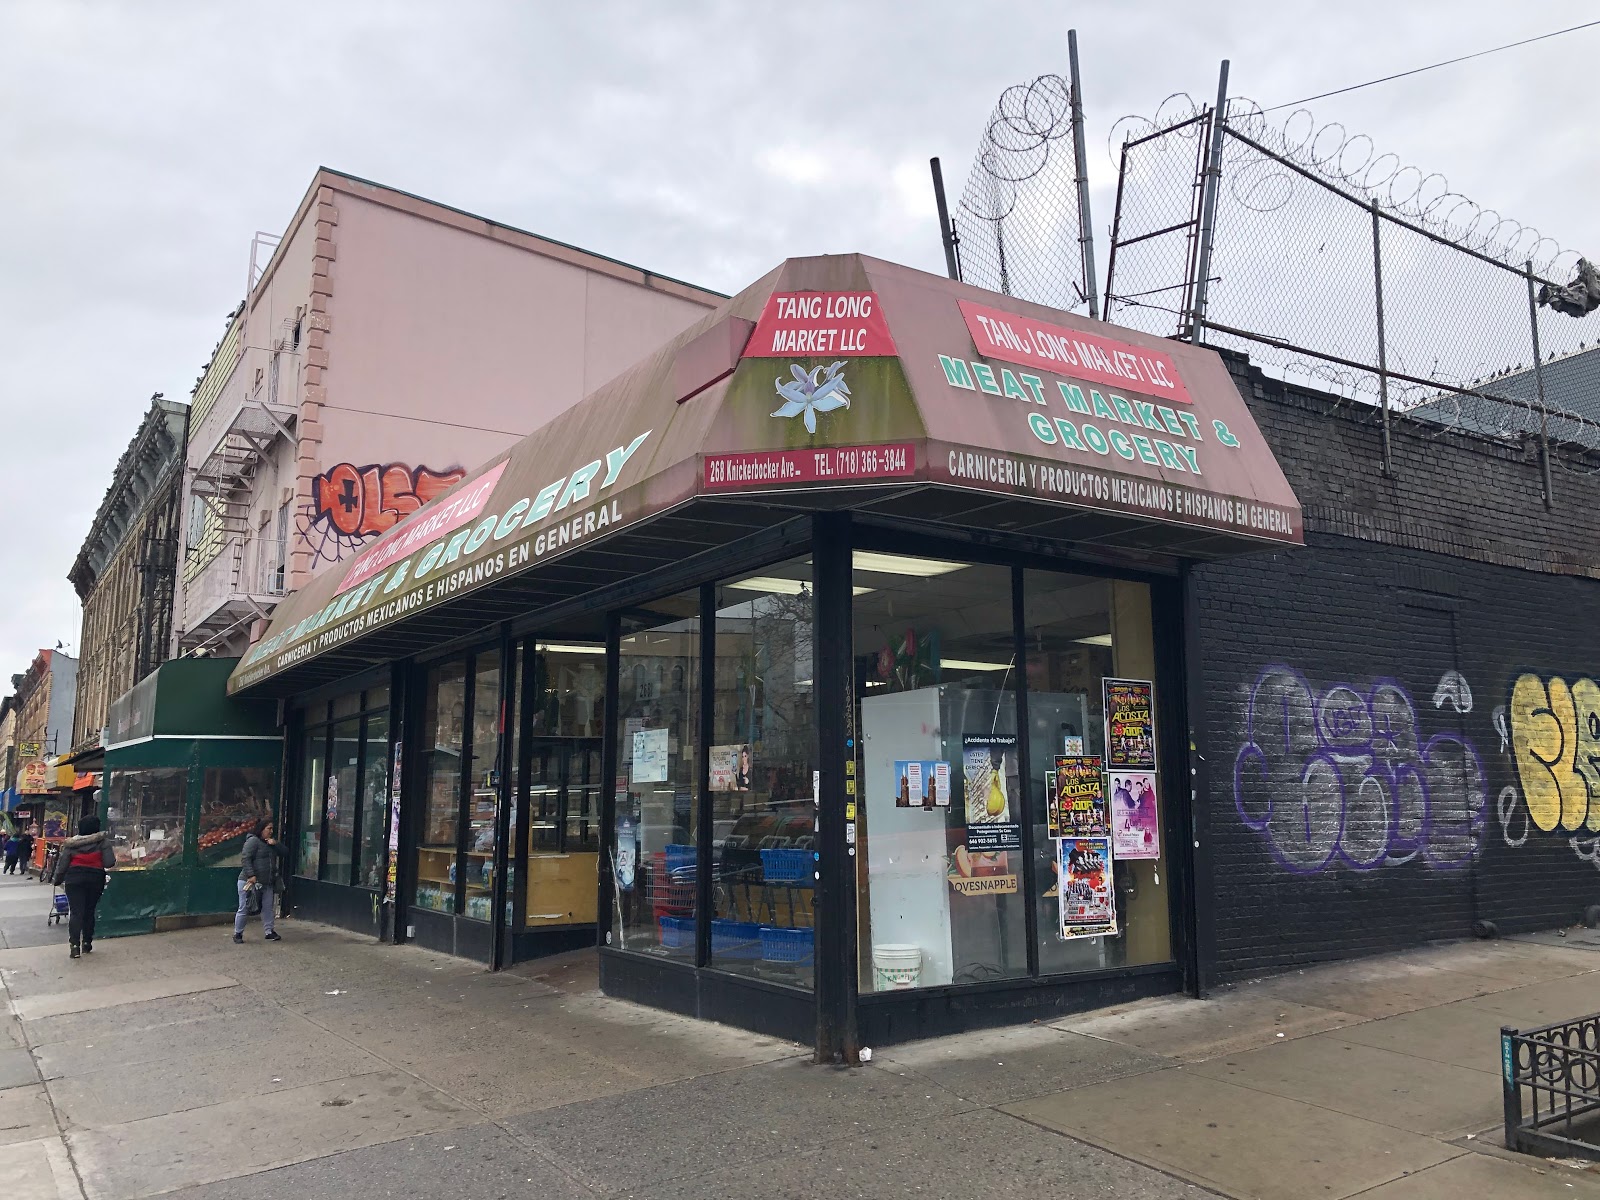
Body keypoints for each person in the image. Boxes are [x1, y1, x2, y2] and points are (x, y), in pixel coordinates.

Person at [51, 816, 114, 959]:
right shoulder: (103, 842)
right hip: (95, 879)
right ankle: (87, 942)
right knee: (89, 910)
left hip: (74, 879)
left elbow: (62, 866)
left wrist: (57, 880)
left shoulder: (71, 844)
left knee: (76, 912)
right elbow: (109, 862)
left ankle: (74, 946)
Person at [235, 819, 283, 943]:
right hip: (249, 882)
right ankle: (238, 933)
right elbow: (246, 859)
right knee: (245, 907)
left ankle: (269, 931)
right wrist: (251, 875)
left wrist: (276, 844)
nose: (271, 831)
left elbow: (285, 852)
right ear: (261, 829)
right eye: (269, 829)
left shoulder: (270, 843)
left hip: (266, 882)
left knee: (268, 907)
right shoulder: (253, 841)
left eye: (272, 829)